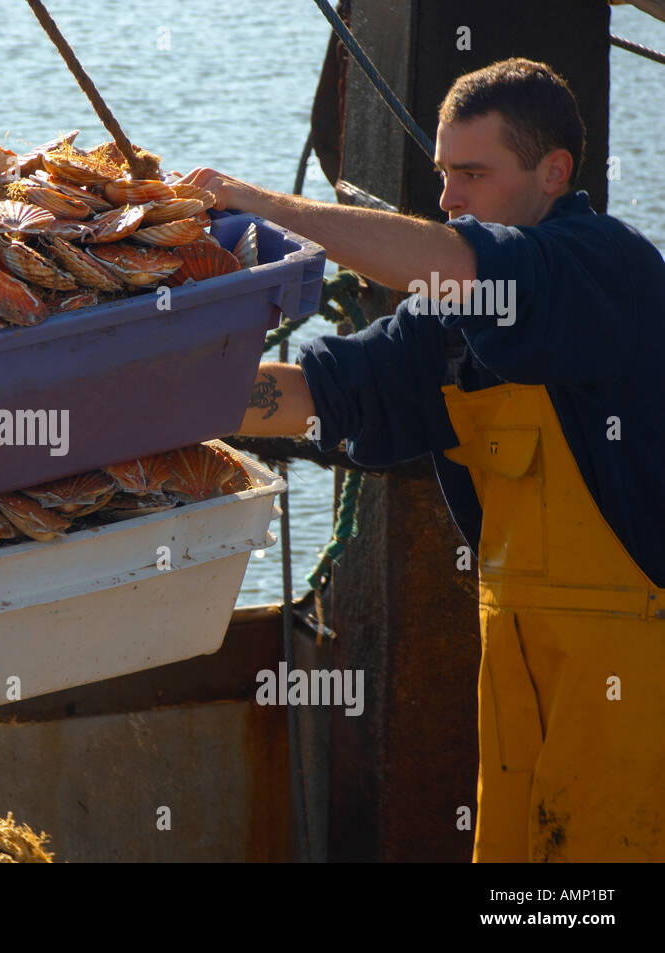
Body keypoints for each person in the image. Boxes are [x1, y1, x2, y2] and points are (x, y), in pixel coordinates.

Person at [180, 57, 665, 862]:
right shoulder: (442, 327)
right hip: (515, 674)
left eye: (472, 173)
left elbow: (469, 266)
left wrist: (267, 209)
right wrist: (146, 397)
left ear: (555, 172)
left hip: (637, 681)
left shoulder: (603, 266)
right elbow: (316, 394)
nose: (449, 198)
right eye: (443, 174)